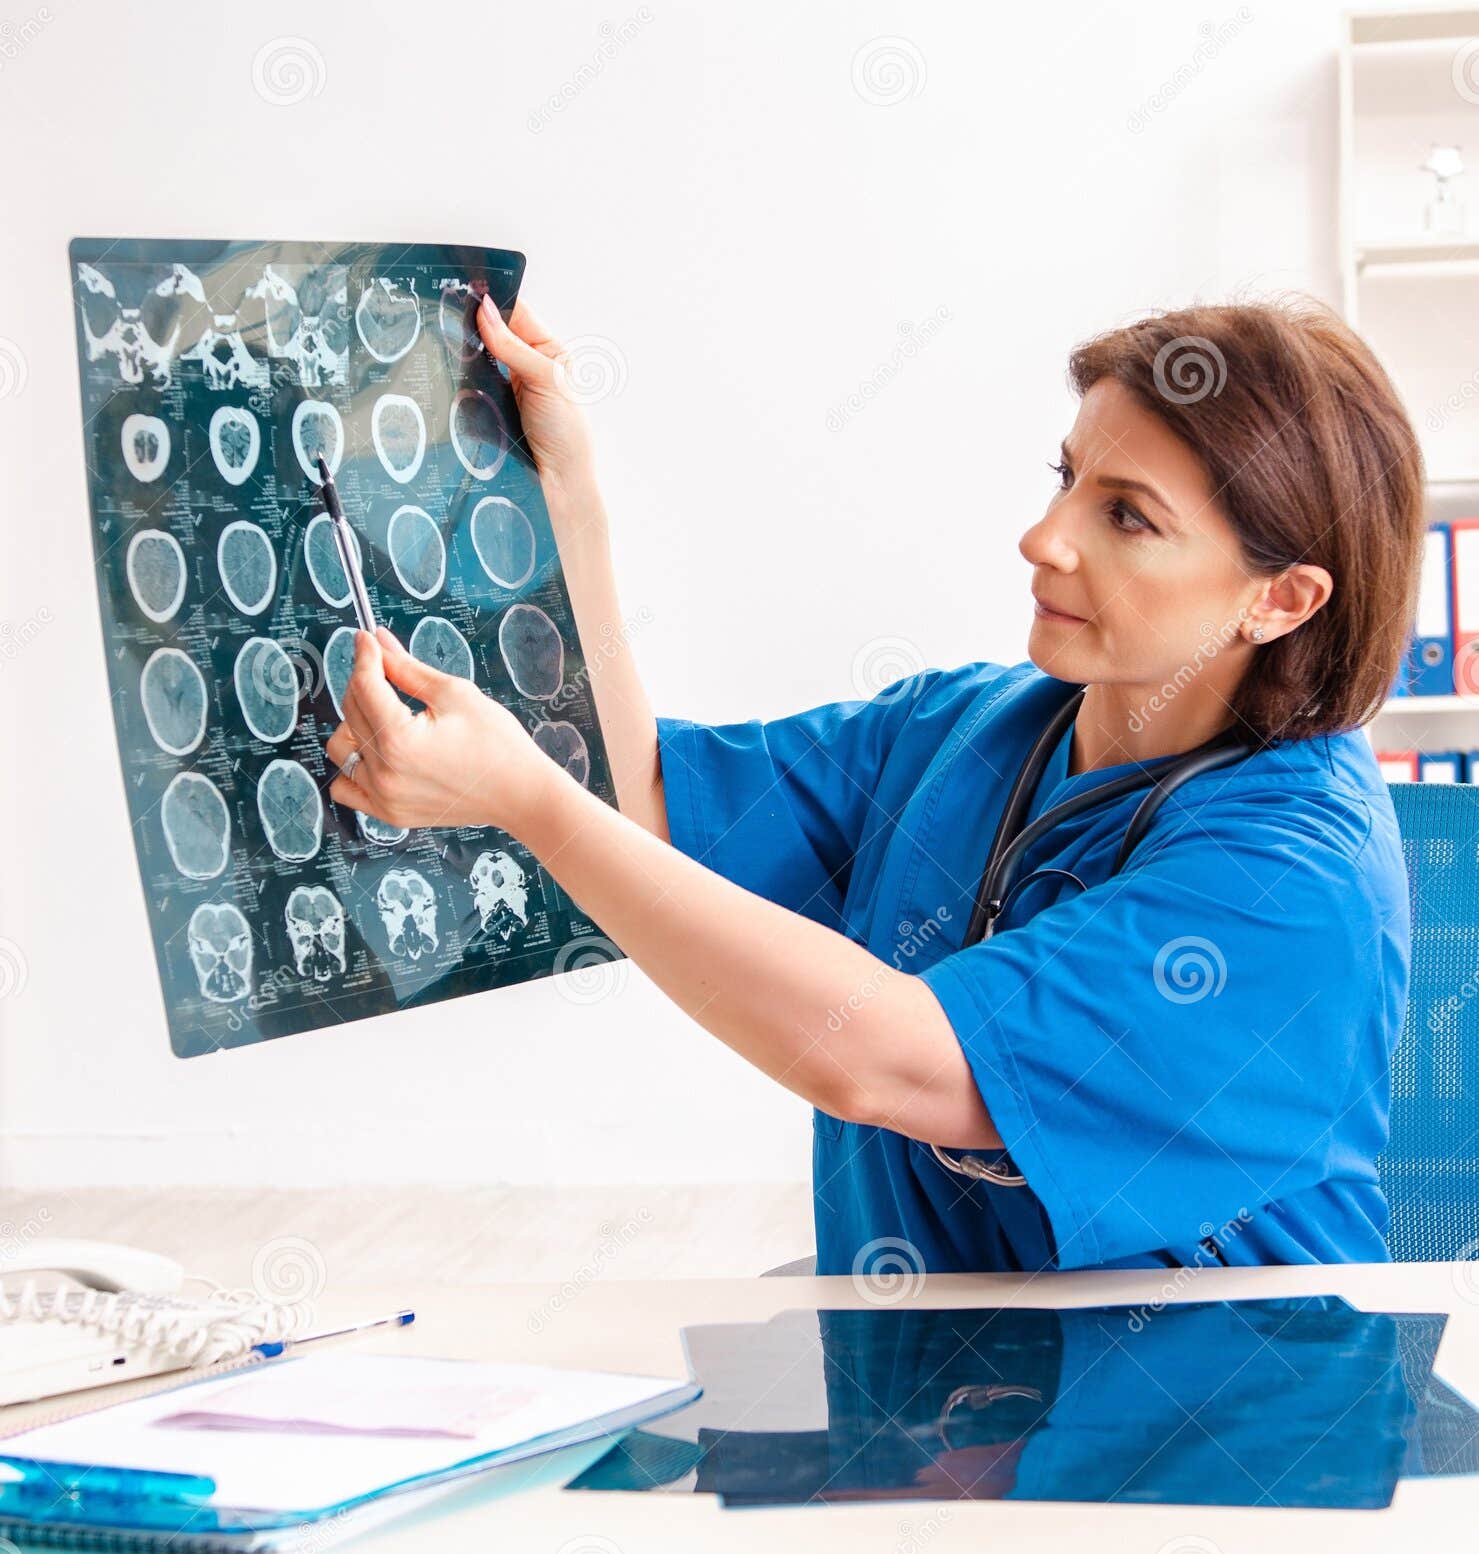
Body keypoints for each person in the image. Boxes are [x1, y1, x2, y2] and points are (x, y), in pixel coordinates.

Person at [326, 292, 1423, 1275]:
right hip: (942, 1388)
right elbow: (650, 802)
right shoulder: (970, 727)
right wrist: (567, 494)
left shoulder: (1296, 879)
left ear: (1281, 600)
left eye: (1126, 515)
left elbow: (888, 1063)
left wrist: (529, 801)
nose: (1042, 537)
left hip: (1222, 1438)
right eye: (1067, 477)